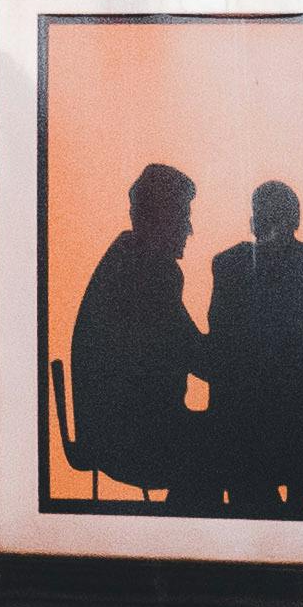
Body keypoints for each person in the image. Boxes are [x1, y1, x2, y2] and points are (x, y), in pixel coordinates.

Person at [68, 162, 211, 503]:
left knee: (214, 442)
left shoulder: (123, 259)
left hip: (105, 433)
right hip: (134, 438)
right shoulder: (153, 270)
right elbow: (197, 357)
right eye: (184, 215)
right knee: (228, 443)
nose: (190, 229)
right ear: (163, 216)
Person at [200, 179, 303, 511]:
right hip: (295, 425)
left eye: (260, 216)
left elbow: (218, 333)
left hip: (248, 424)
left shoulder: (230, 266)